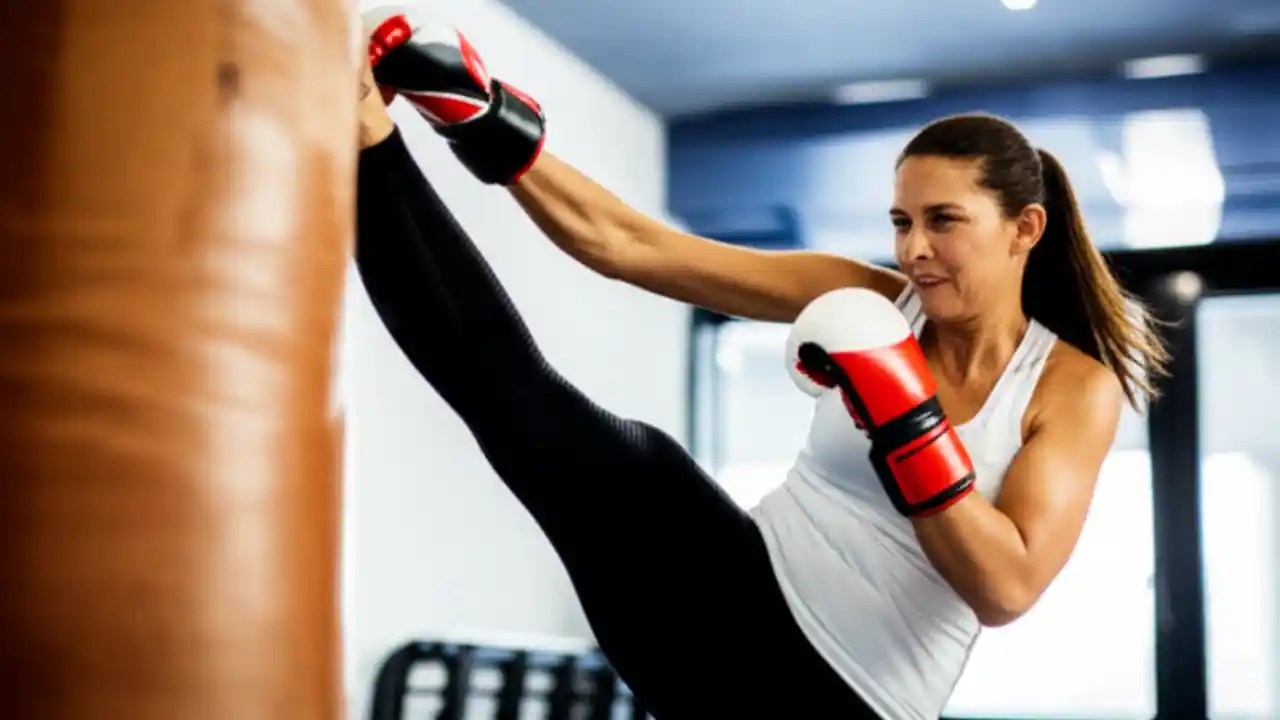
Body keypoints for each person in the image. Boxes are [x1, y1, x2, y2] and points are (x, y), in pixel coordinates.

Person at [355, 8, 1170, 719]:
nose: (913, 250)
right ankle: (368, 140)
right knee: (539, 415)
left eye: (944, 221)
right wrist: (488, 125)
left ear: (1024, 229)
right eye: (900, 221)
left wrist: (906, 422)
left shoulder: (1070, 385)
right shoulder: (875, 301)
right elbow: (633, 247)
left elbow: (1007, 588)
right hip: (738, 584)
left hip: (842, 694)